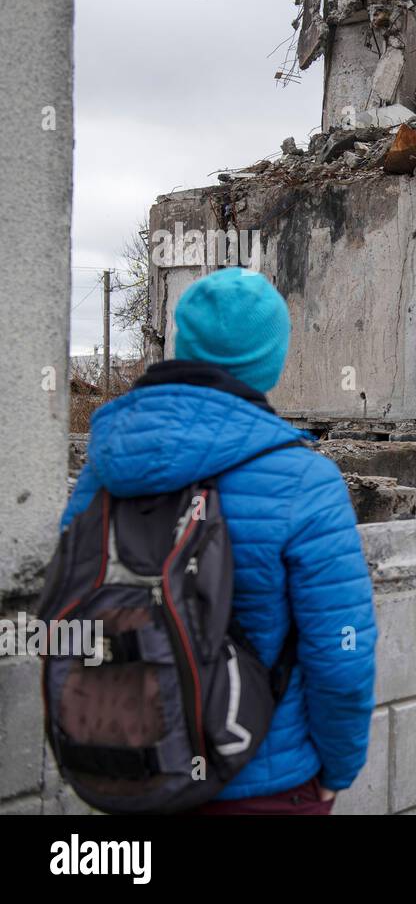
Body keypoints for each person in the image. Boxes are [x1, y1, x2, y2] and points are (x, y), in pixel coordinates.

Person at [62, 268, 377, 813]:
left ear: (182, 347)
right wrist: (340, 766)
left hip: (128, 767)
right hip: (263, 779)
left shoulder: (105, 464)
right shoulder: (305, 480)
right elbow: (341, 653)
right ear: (270, 362)